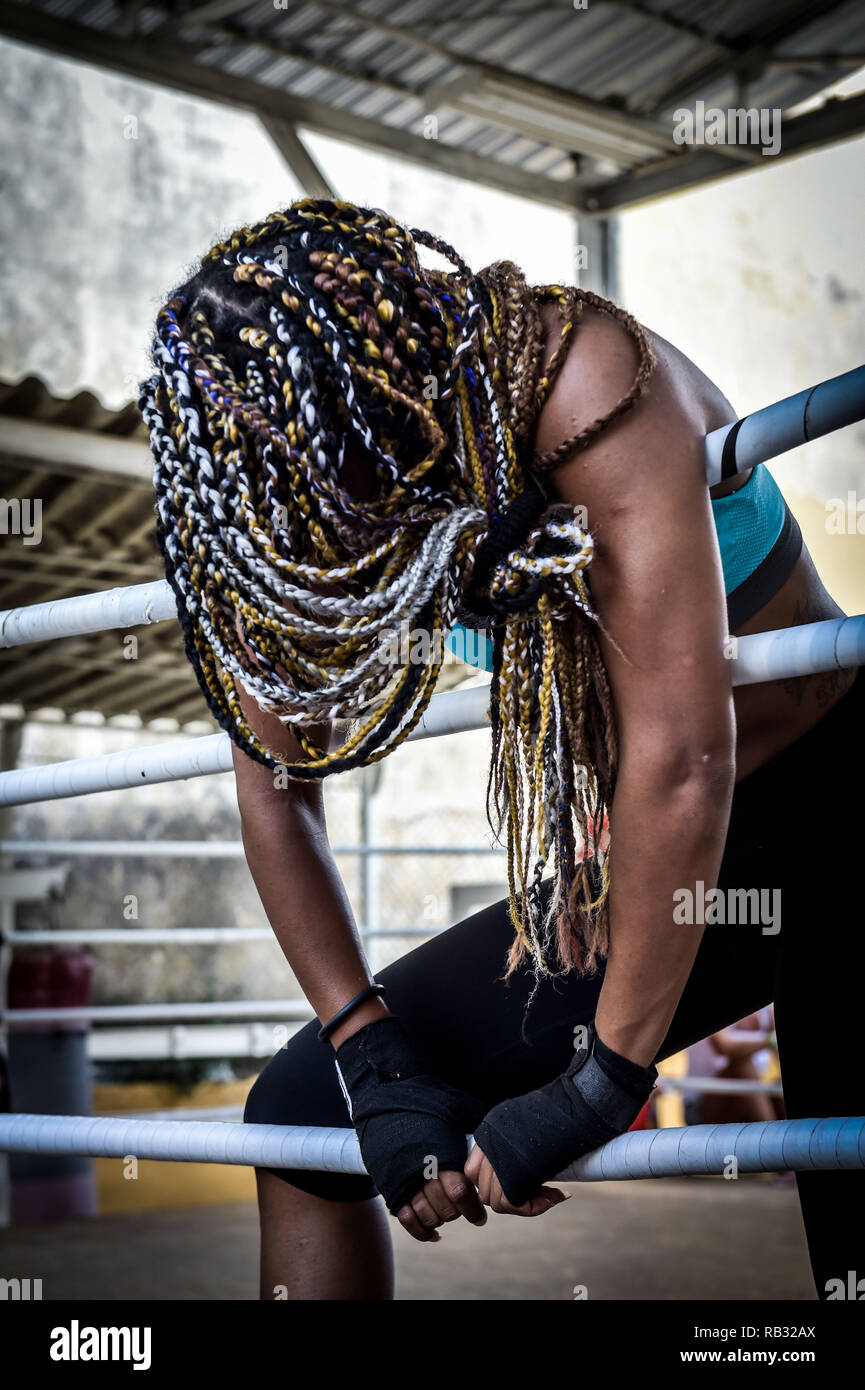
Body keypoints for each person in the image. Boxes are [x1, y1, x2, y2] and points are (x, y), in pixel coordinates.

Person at [140, 197, 862, 1301]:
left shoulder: (574, 374)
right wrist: (368, 1049)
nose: (321, 512)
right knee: (300, 1113)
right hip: (673, 858)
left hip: (830, 784)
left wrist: (602, 1079)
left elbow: (681, 758)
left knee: (845, 1191)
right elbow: (275, 789)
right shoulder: (292, 523)